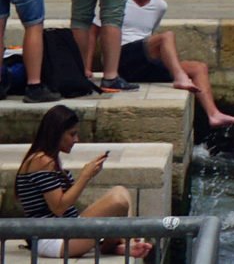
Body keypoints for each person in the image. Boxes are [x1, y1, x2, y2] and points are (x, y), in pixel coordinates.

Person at [106, 0, 234, 130]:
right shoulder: (118, 0)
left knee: (198, 68)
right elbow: (96, 31)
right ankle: (180, 77)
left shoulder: (160, 5)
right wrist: (87, 68)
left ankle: (213, 114)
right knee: (166, 36)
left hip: (142, 63)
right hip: (120, 58)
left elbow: (147, 34)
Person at [14, 104, 152, 257]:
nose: (76, 140)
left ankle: (120, 243)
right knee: (118, 201)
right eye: (72, 134)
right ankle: (124, 242)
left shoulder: (48, 159)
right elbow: (58, 208)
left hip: (69, 228)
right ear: (57, 134)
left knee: (120, 191)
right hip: (54, 239)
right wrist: (85, 176)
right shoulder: (41, 161)